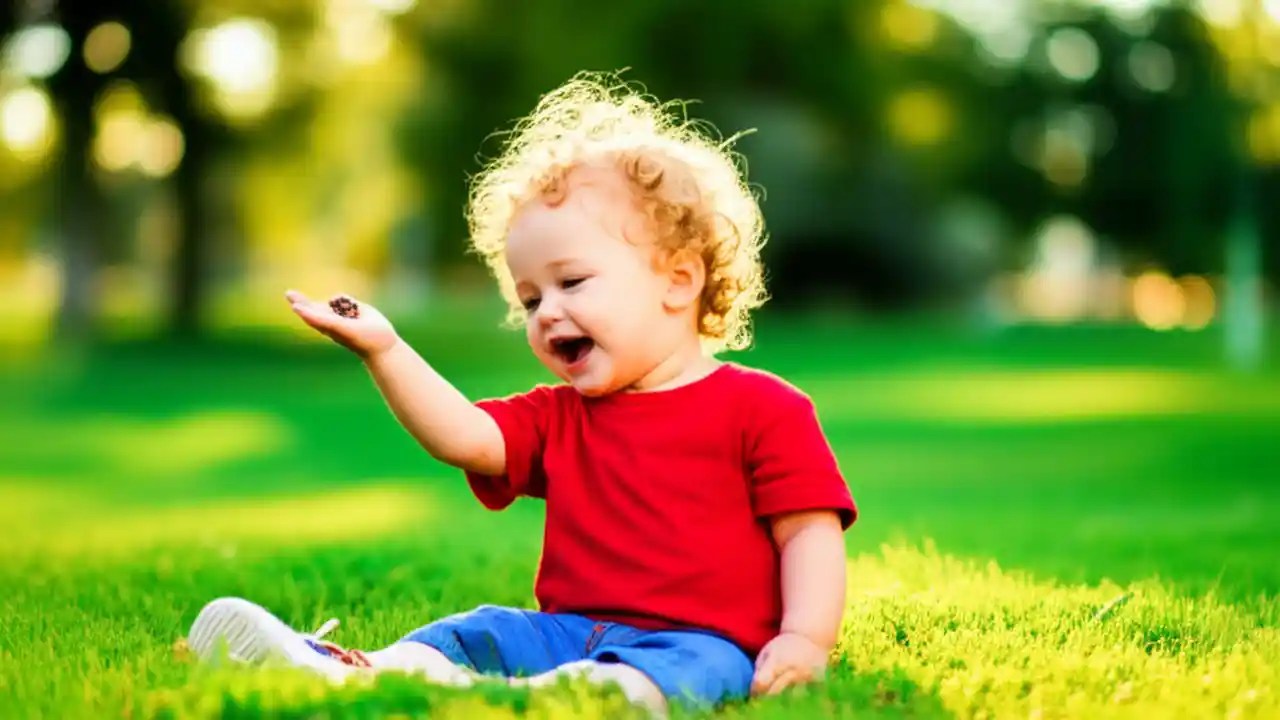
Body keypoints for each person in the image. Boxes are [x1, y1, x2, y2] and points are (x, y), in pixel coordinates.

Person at [188, 72, 857, 715]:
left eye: (572, 283)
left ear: (678, 281)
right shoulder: (560, 416)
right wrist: (385, 349)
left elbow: (809, 534)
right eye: (530, 297)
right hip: (562, 632)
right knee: (474, 631)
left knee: (700, 674)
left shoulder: (766, 410)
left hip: (696, 639)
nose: (546, 314)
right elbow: (465, 437)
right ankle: (358, 672)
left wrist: (804, 639)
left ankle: (572, 700)